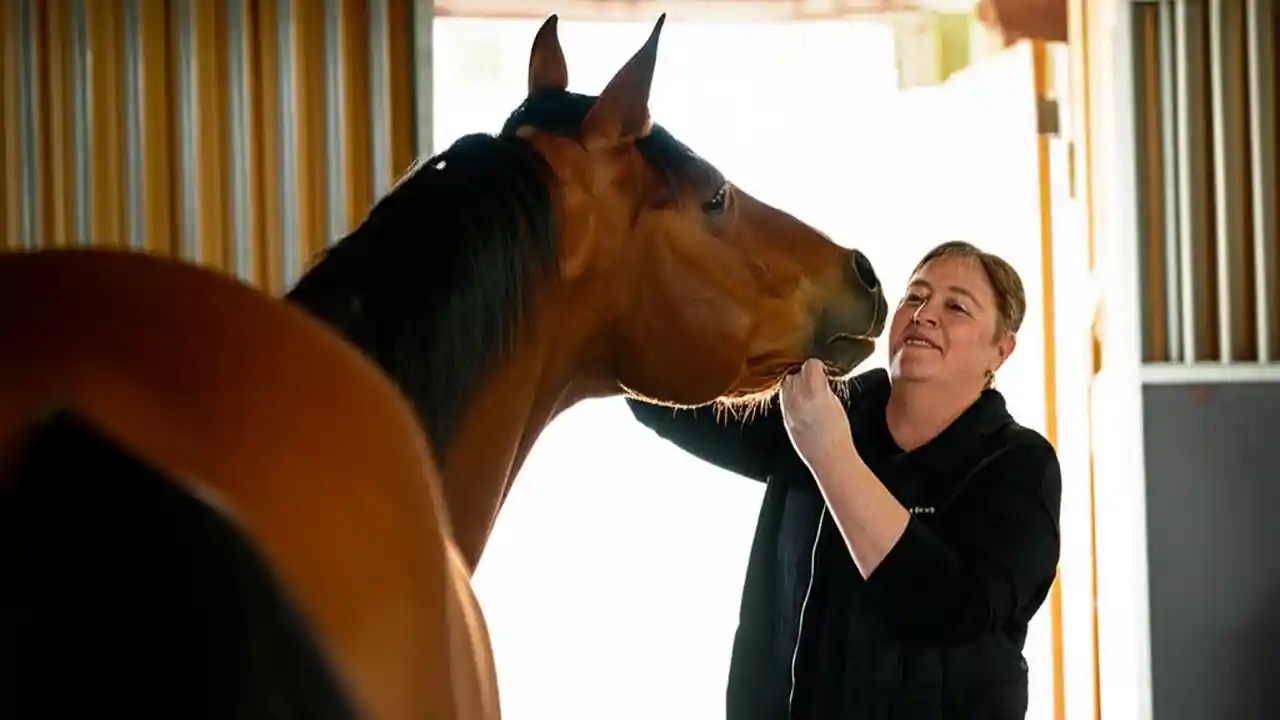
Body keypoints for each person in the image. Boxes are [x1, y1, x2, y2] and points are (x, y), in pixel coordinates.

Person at [627, 240, 1062, 719]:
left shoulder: (1018, 465)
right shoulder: (824, 406)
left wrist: (831, 455)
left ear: (1000, 351)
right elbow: (669, 401)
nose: (924, 314)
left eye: (956, 305)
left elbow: (952, 607)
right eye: (914, 297)